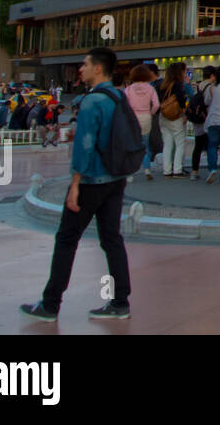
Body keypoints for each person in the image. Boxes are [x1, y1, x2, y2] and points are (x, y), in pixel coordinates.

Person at [20, 47, 132, 322]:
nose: (80, 69)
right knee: (112, 239)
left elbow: (84, 145)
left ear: (97, 68)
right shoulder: (119, 96)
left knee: (67, 238)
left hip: (92, 179)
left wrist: (75, 184)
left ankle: (50, 303)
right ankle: (120, 302)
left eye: (84, 64)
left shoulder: (92, 101)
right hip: (116, 178)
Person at [123, 65, 160, 178]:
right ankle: (147, 169)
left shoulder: (128, 89)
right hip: (146, 117)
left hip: (132, 119)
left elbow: (124, 105)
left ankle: (130, 173)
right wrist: (151, 113)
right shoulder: (150, 88)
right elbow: (157, 104)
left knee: (131, 145)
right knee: (145, 145)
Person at [156, 63, 191, 178]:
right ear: (179, 72)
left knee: (167, 144)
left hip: (163, 116)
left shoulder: (162, 85)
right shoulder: (177, 84)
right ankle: (177, 170)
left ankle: (167, 170)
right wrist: (185, 111)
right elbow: (181, 100)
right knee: (180, 142)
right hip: (175, 117)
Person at [188, 66, 214, 180]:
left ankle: (194, 171)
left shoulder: (199, 85)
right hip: (207, 118)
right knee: (210, 145)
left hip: (197, 118)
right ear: (212, 75)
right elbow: (210, 102)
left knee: (198, 146)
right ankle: (211, 169)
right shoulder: (211, 87)